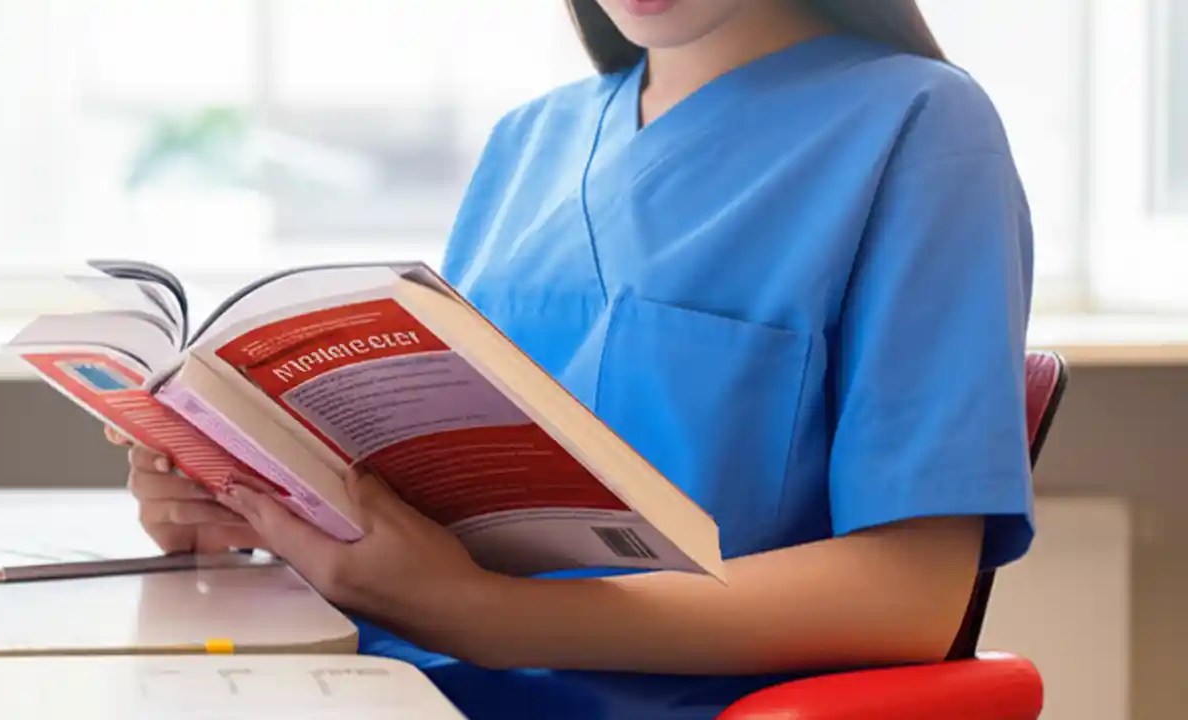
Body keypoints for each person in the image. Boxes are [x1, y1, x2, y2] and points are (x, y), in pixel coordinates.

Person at [116, 0, 1035, 717]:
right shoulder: (532, 142)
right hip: (385, 683)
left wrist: (491, 621)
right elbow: (451, 504)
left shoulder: (921, 125)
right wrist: (262, 518)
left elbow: (911, 596)